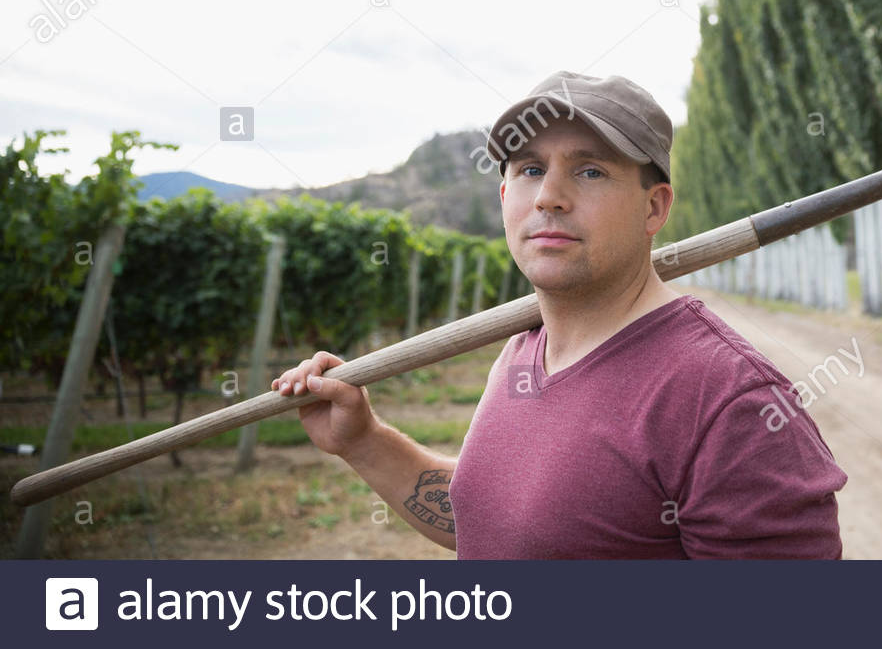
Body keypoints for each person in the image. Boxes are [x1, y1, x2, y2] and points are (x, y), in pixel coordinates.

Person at [272, 71, 848, 558]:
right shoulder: (523, 349)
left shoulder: (729, 402)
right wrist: (364, 441)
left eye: (589, 170)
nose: (549, 195)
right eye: (528, 169)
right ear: (505, 200)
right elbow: (498, 521)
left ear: (655, 206)